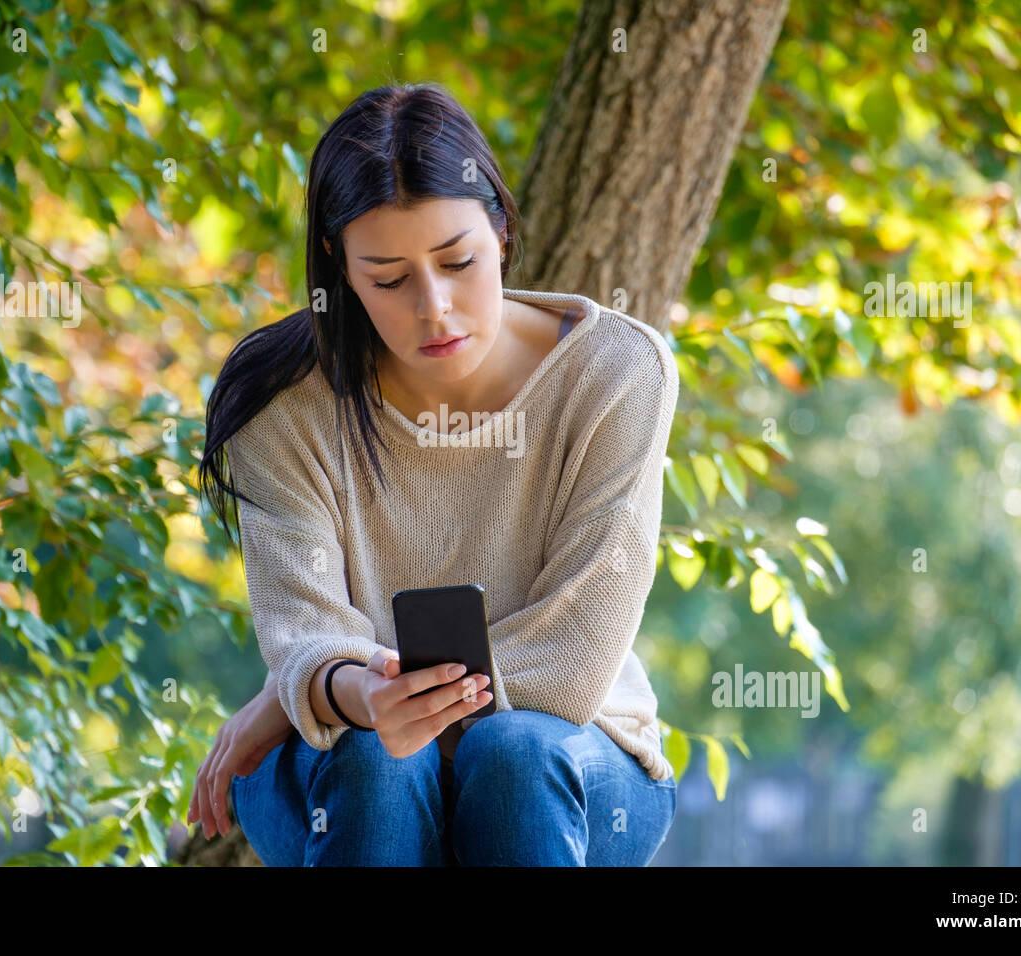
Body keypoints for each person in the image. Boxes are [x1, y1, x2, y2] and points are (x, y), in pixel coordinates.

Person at [187, 82, 678, 866]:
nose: (436, 307)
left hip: (572, 763)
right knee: (378, 759)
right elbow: (308, 631)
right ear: (338, 269)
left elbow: (572, 660)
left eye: (458, 261)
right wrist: (351, 697)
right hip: (350, 768)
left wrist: (295, 702)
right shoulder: (284, 407)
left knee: (512, 754)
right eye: (388, 279)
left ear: (503, 229)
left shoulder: (618, 371)